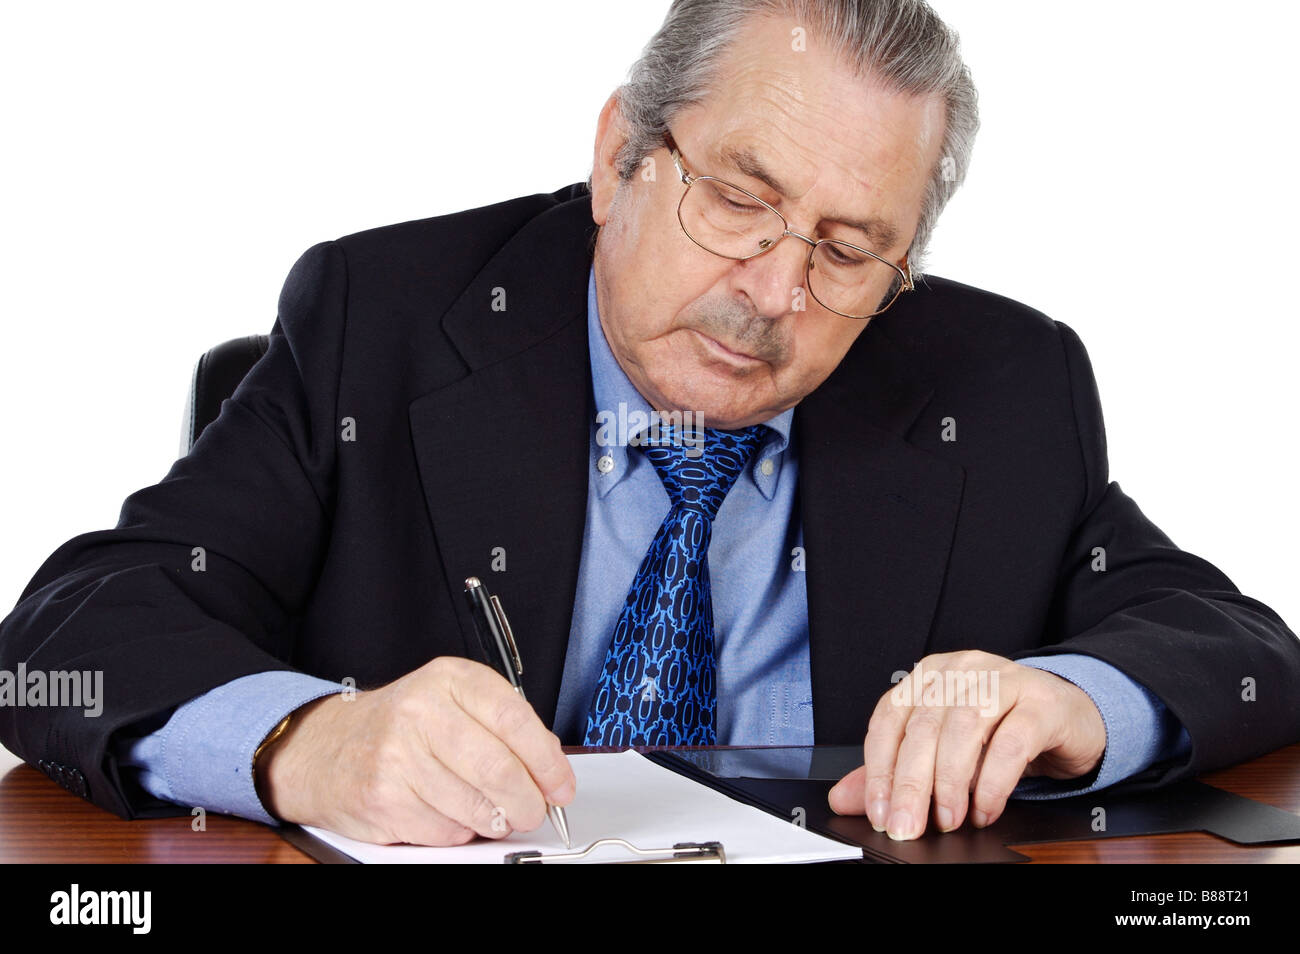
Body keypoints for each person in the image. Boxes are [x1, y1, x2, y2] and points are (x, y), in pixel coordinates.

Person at [2, 0, 1297, 848]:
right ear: (622, 155)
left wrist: (1067, 696)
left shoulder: (1001, 385)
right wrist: (303, 739)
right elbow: (64, 639)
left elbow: (1244, 650)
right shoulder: (380, 324)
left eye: (850, 250)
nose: (775, 295)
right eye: (739, 199)